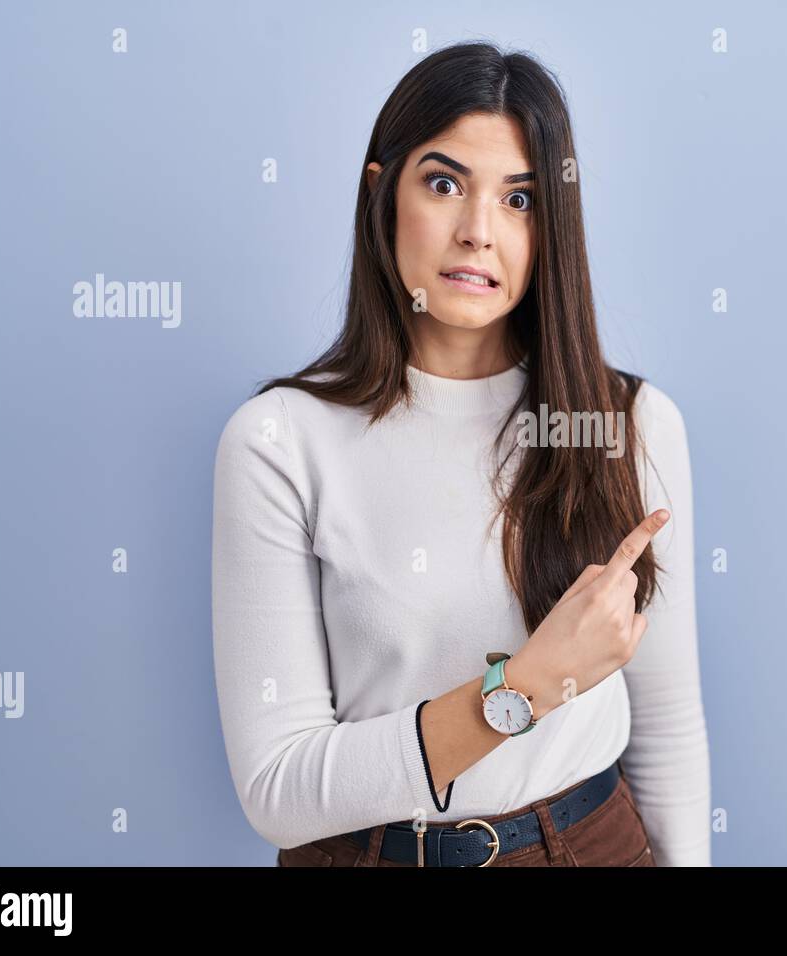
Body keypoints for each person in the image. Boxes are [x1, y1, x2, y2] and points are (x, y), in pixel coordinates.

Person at [210, 41, 710, 867]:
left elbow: (667, 734)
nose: (479, 233)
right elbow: (277, 790)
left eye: (520, 200)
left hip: (592, 846)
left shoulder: (629, 424)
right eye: (445, 185)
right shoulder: (278, 442)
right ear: (382, 195)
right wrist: (515, 692)